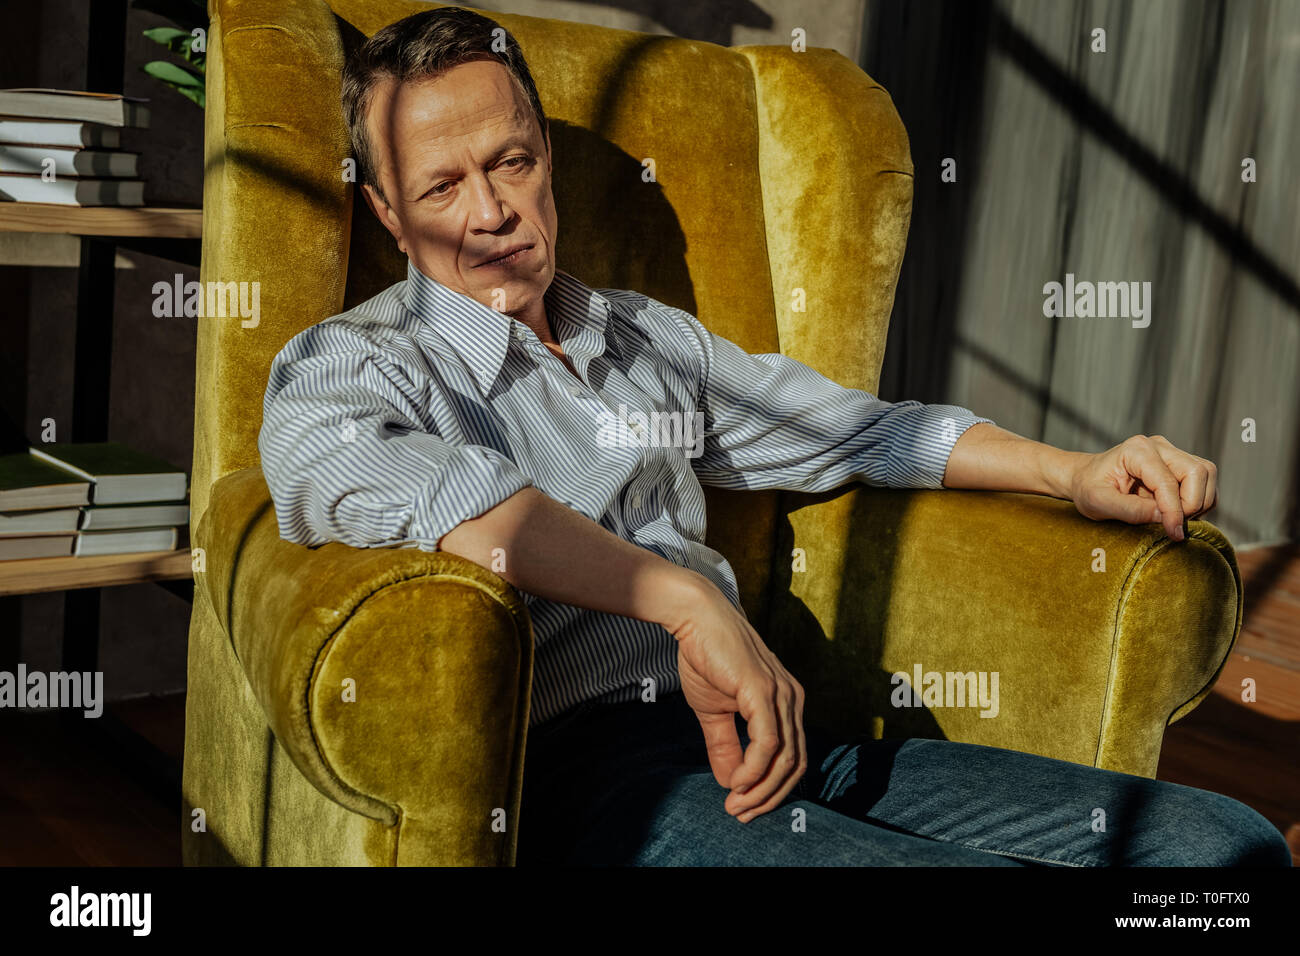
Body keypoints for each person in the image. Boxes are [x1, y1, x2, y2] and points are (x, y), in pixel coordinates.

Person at [257, 6, 1290, 866]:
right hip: (579, 778)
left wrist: (1073, 471)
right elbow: (447, 497)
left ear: (543, 161)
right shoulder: (348, 363)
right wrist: (683, 598)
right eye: (442, 185)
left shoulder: (639, 333)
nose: (490, 211)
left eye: (511, 161)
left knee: (1222, 848)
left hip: (776, 734)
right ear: (389, 211)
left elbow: (859, 430)